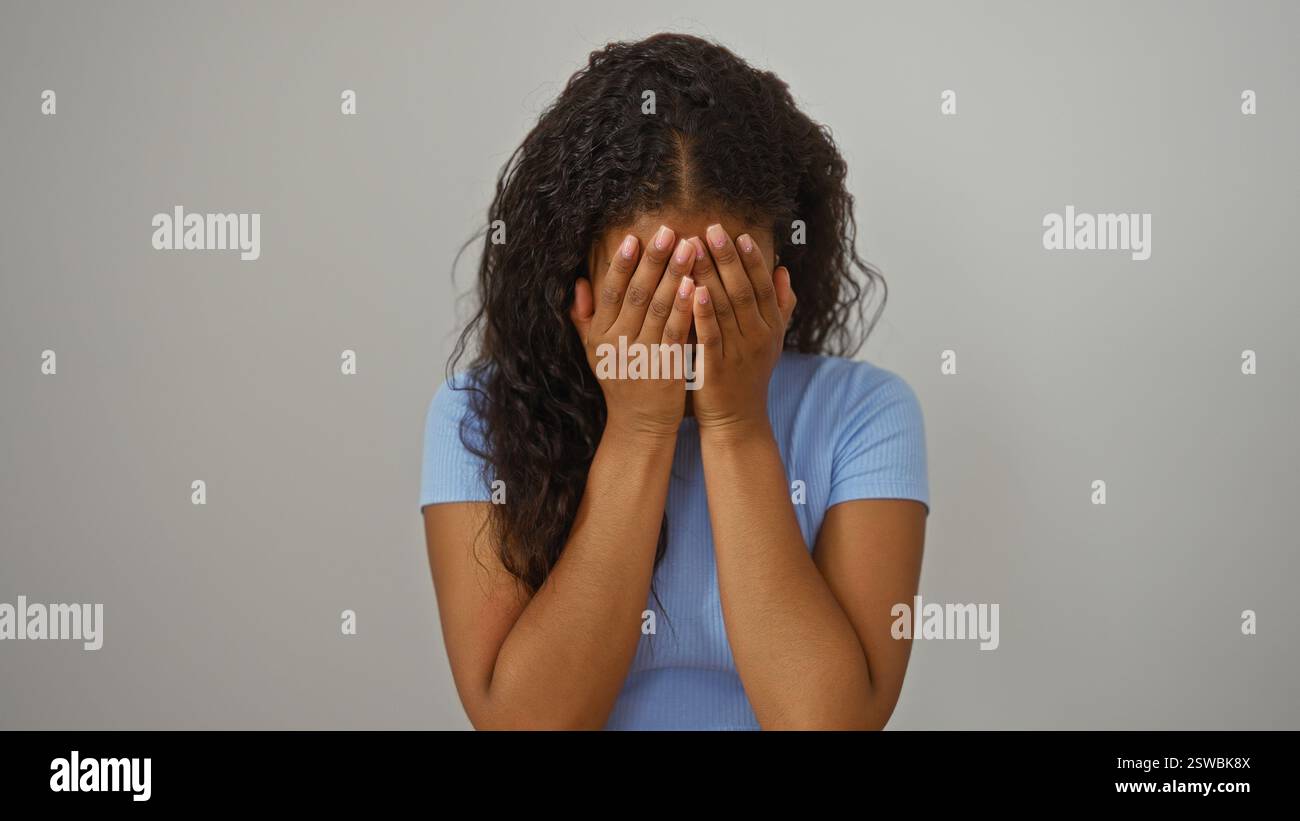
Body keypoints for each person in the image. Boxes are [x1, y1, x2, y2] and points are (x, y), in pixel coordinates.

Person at [420, 33, 929, 730]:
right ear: (578, 276)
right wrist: (638, 427)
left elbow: (829, 722)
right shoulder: (472, 417)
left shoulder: (866, 415)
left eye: (725, 281)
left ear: (780, 270)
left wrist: (736, 425)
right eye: (649, 283)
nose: (688, 319)